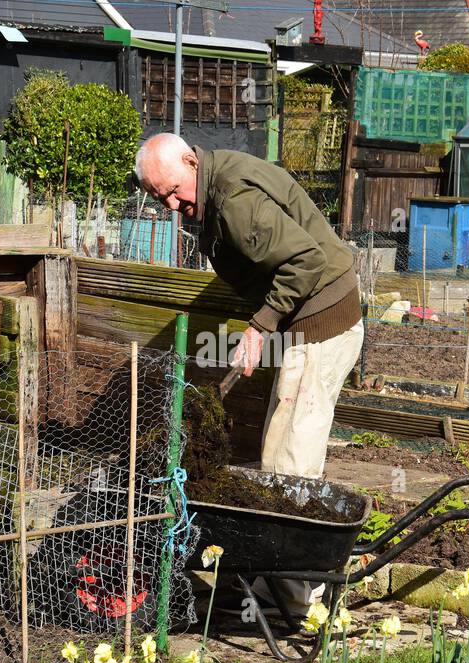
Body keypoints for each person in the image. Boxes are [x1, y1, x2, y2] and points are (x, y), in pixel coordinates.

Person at [134, 133, 364, 615]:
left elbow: (307, 260)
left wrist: (260, 326)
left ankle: (300, 602)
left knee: (289, 466)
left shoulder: (234, 201)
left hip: (322, 323)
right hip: (311, 320)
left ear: (192, 160)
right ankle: (274, 584)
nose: (174, 204)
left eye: (175, 189)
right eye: (162, 199)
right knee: (280, 448)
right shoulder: (216, 186)